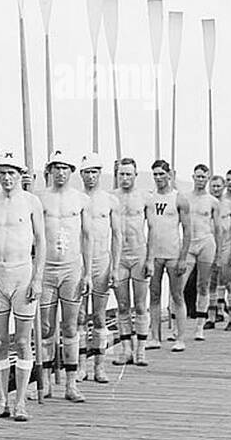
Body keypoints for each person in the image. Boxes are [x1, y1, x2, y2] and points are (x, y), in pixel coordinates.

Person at [0, 151, 45, 422]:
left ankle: (20, 401)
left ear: (20, 175)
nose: (7, 177)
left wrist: (37, 279)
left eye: (11, 172)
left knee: (23, 341)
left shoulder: (32, 202)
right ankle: (1, 400)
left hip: (22, 274)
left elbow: (42, 243)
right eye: (2, 172)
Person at [36, 150, 93, 402]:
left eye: (65, 168)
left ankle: (71, 385)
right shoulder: (38, 199)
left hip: (72, 269)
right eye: (56, 167)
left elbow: (88, 237)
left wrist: (88, 272)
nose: (60, 172)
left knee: (70, 326)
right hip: (47, 269)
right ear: (49, 170)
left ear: (71, 171)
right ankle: (46, 383)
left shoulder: (80, 200)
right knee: (47, 328)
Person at [77, 153, 120, 385]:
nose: (90, 176)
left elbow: (118, 236)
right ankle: (81, 366)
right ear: (81, 174)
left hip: (102, 262)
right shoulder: (76, 199)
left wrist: (114, 268)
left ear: (100, 174)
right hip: (80, 263)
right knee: (80, 317)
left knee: (100, 317)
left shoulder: (110, 201)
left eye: (94, 172)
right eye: (86, 172)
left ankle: (99, 366)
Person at [144, 160, 192, 351]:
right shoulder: (150, 198)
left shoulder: (179, 198)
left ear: (169, 174)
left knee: (177, 296)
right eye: (155, 174)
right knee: (154, 296)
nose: (158, 178)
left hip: (173, 254)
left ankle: (180, 338)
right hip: (155, 255)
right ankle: (155, 336)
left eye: (161, 174)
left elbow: (187, 231)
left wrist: (183, 258)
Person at [112, 158, 150, 366]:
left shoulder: (144, 198)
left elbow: (153, 229)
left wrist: (150, 259)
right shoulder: (112, 198)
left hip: (139, 254)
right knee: (123, 305)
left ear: (135, 175)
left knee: (140, 305)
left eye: (128, 174)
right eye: (121, 174)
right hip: (119, 257)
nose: (125, 178)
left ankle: (141, 350)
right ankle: (126, 349)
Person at [183, 165, 220, 340]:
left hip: (206, 242)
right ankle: (178, 327)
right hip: (189, 244)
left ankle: (200, 327)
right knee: (180, 285)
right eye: (197, 176)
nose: (200, 180)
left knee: (203, 285)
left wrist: (219, 253)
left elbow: (218, 229)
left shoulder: (213, 201)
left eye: (203, 177)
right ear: (193, 177)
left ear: (207, 179)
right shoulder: (185, 198)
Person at [209, 173, 231, 330]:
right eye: (213, 186)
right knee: (211, 282)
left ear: (223, 187)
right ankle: (211, 317)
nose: (216, 189)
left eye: (218, 186)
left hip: (226, 246)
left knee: (228, 281)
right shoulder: (207, 203)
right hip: (210, 246)